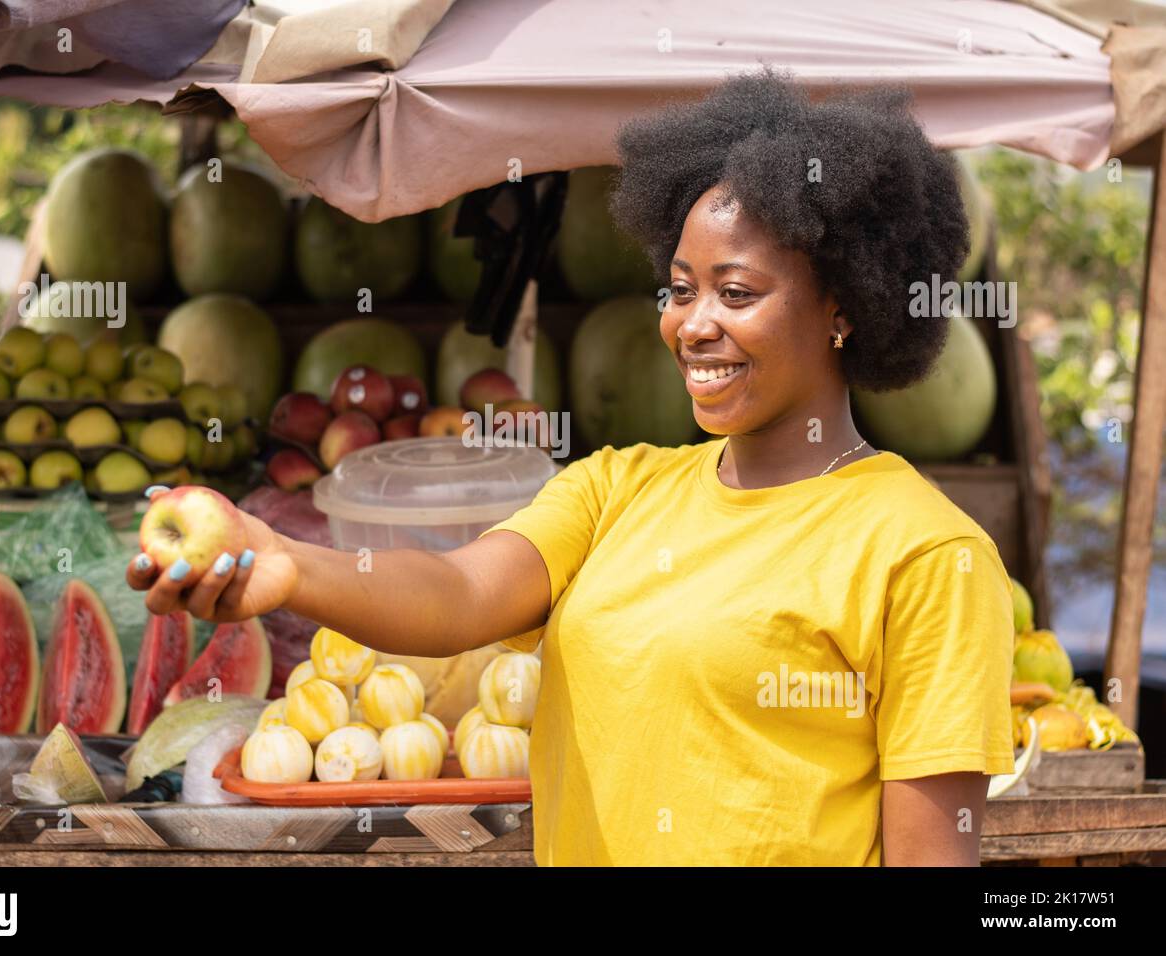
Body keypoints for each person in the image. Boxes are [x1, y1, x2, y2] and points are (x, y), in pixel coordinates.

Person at [128, 69, 1015, 866]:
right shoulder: (617, 487)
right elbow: (456, 595)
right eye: (679, 287)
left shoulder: (927, 554)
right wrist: (280, 560)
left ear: (843, 308)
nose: (692, 325)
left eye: (736, 293)